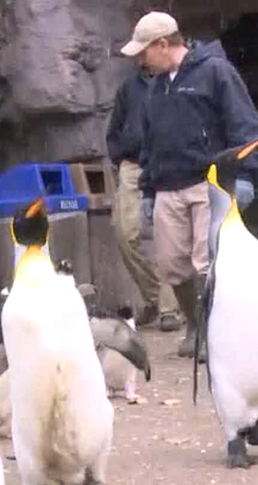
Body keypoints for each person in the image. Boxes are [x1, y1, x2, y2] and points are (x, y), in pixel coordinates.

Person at [120, 11, 258, 359]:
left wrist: (245, 176)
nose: (139, 59)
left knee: (207, 262)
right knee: (172, 266)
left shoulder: (215, 72)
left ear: (163, 44)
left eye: (143, 51)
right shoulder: (154, 88)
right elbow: (149, 143)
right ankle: (195, 322)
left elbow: (245, 126)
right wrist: (148, 190)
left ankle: (214, 331)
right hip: (168, 186)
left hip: (208, 183)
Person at [105, 70, 182, 333]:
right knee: (125, 234)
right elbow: (114, 129)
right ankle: (155, 297)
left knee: (169, 235)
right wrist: (121, 157)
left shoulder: (181, 80)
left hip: (170, 163)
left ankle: (169, 308)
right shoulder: (129, 86)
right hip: (134, 164)